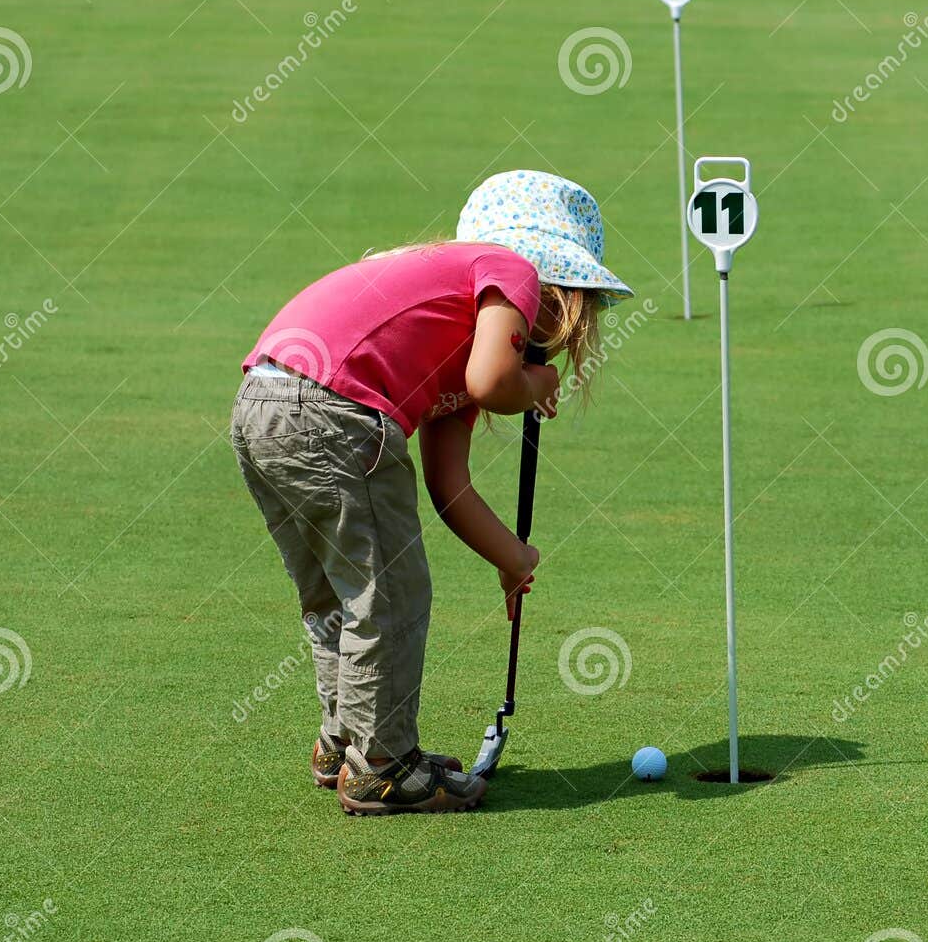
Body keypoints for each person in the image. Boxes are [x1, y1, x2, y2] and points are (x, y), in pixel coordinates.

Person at [229, 170, 632, 815]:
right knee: (391, 592)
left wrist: (513, 558)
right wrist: (532, 385)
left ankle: (347, 741)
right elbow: (493, 379)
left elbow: (452, 487)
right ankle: (383, 765)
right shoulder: (512, 269)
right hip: (336, 412)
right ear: (563, 287)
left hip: (263, 402)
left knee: (340, 592)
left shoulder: (452, 333)